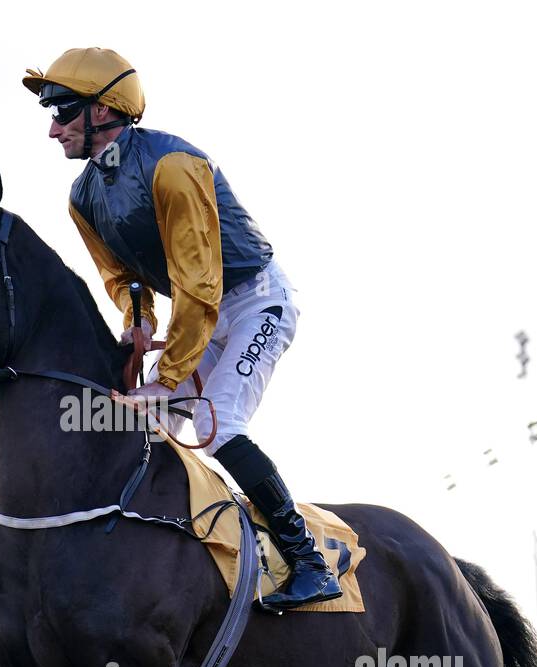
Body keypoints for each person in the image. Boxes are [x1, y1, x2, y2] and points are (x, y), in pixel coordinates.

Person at [22, 47, 341, 611]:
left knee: (217, 425)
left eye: (63, 110)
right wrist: (139, 322)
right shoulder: (82, 196)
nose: (52, 129)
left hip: (253, 304)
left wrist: (167, 379)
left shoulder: (172, 167)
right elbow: (122, 277)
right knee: (149, 428)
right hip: (199, 315)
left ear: (105, 111)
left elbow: (200, 285)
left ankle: (309, 559)